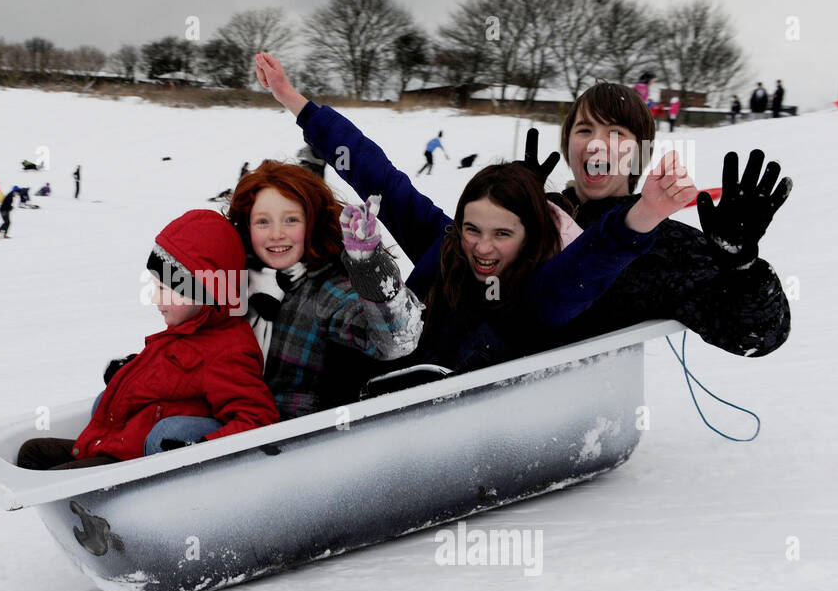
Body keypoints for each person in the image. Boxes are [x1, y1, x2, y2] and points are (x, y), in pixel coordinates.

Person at [254, 52, 697, 374]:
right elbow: (380, 178)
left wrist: (643, 215)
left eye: (503, 234)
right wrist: (296, 103)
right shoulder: (448, 243)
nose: (483, 246)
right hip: (366, 381)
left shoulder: (539, 291)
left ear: (529, 238)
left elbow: (588, 266)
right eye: (473, 229)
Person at [16, 210, 279, 469]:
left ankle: (94, 510)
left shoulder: (228, 351)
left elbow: (257, 419)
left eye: (164, 289)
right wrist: (128, 372)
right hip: (116, 441)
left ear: (204, 290)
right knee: (32, 453)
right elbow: (176, 381)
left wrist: (201, 446)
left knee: (59, 479)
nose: (155, 299)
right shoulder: (189, 328)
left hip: (132, 465)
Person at [551, 81, 792, 357]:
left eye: (616, 133)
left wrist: (742, 267)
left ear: (640, 153)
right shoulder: (530, 215)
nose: (596, 144)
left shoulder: (663, 241)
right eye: (584, 130)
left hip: (592, 393)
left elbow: (757, 333)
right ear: (567, 144)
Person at [228, 161, 424, 418]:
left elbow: (396, 341)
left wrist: (369, 267)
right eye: (263, 222)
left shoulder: (324, 289)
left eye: (291, 220)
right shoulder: (237, 278)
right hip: (228, 423)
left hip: (288, 437)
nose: (276, 234)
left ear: (311, 223)